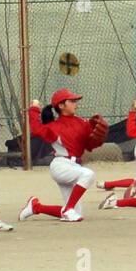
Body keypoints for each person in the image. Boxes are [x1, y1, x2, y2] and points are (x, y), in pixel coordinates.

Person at [19, 89, 105, 222]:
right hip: (61, 166)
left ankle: (36, 207)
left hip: (74, 166)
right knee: (88, 175)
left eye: (76, 101)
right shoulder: (54, 126)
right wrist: (34, 110)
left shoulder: (82, 123)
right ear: (61, 105)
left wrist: (97, 139)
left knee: (77, 213)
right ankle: (68, 209)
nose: (75, 103)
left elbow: (89, 146)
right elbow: (35, 129)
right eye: (71, 101)